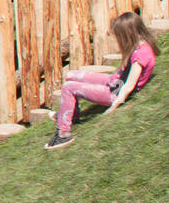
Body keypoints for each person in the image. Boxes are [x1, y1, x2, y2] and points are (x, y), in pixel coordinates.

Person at [46, 12, 157, 150]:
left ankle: (63, 135)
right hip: (113, 82)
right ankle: (69, 115)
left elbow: (129, 85)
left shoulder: (141, 55)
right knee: (71, 75)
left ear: (128, 34)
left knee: (69, 87)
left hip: (114, 92)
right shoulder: (141, 45)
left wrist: (115, 105)